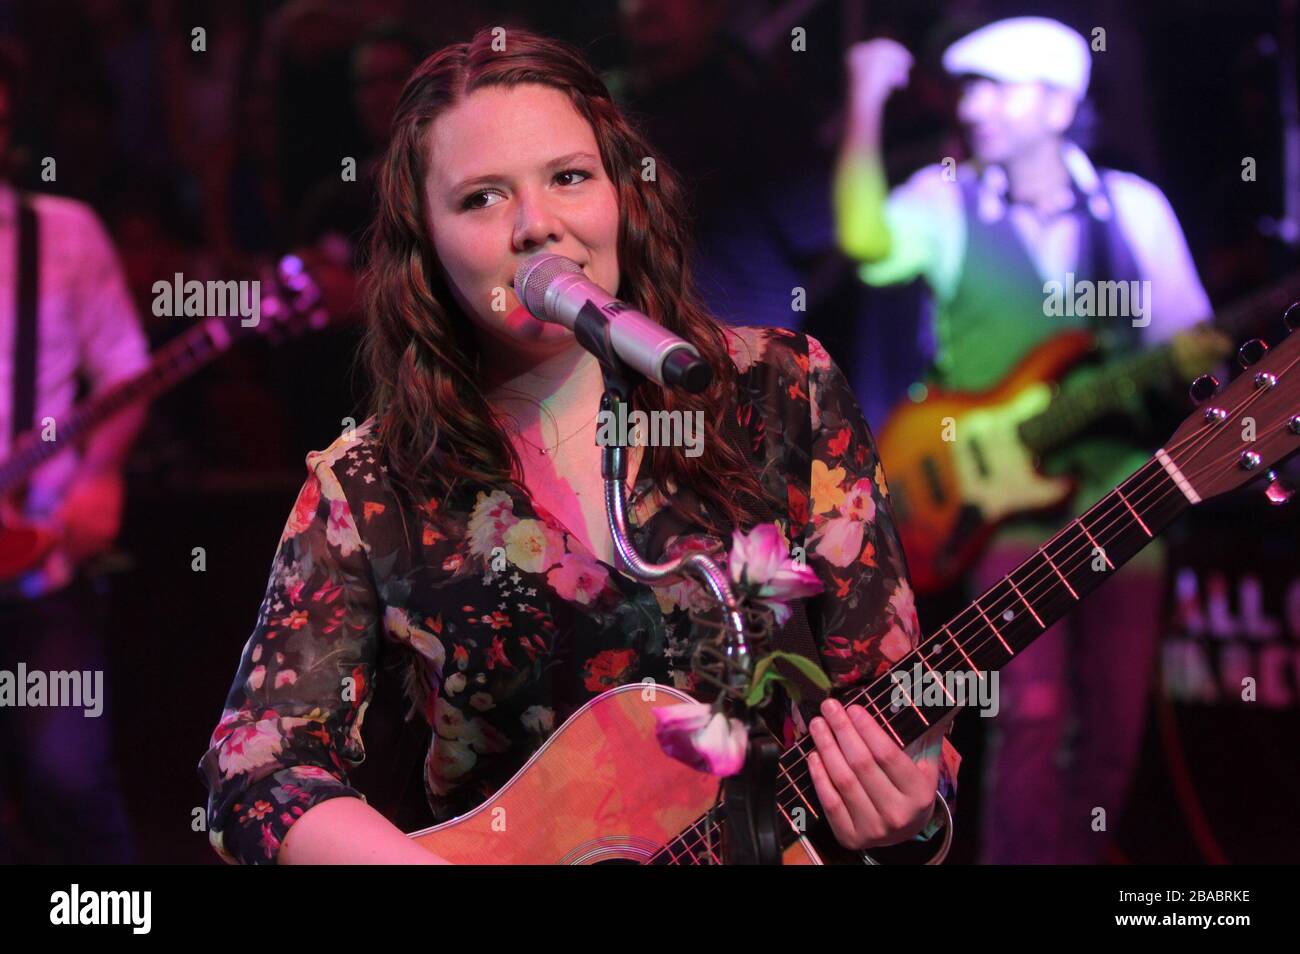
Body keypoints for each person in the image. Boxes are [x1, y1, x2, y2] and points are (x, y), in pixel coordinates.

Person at [199, 27, 960, 865]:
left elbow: (891, 714)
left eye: (568, 178)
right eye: (482, 197)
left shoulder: (779, 392)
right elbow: (257, 771)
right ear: (426, 244)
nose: (538, 225)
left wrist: (909, 817)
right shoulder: (375, 483)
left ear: (624, 195)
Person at [833, 17, 1227, 863]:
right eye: (968, 89)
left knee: (1115, 727)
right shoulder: (948, 199)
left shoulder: (1132, 208)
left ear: (1057, 104)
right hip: (1007, 516)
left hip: (1128, 502)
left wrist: (1186, 369)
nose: (973, 107)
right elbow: (864, 243)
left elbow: (1192, 345)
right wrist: (864, 95)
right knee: (1028, 721)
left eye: (996, 88)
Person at [0, 43, 151, 863]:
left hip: (38, 565)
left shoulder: (63, 233)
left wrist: (99, 476)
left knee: (67, 780)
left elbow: (125, 370)